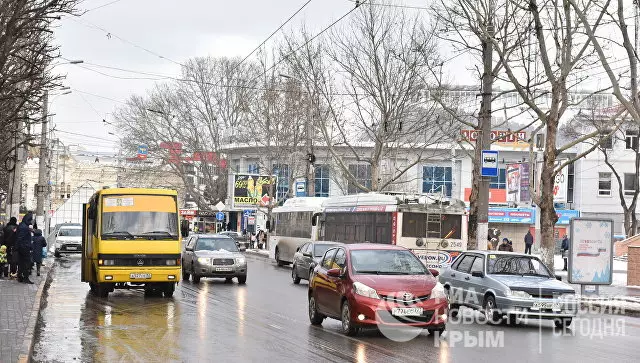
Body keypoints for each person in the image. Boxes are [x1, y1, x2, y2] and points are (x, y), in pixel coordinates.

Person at [16, 213, 34, 284]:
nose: (31, 221)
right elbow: (20, 237)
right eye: (30, 220)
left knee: (21, 262)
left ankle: (20, 277)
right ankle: (26, 278)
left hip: (22, 247)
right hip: (24, 247)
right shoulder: (24, 227)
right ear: (28, 219)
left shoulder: (22, 225)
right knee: (27, 263)